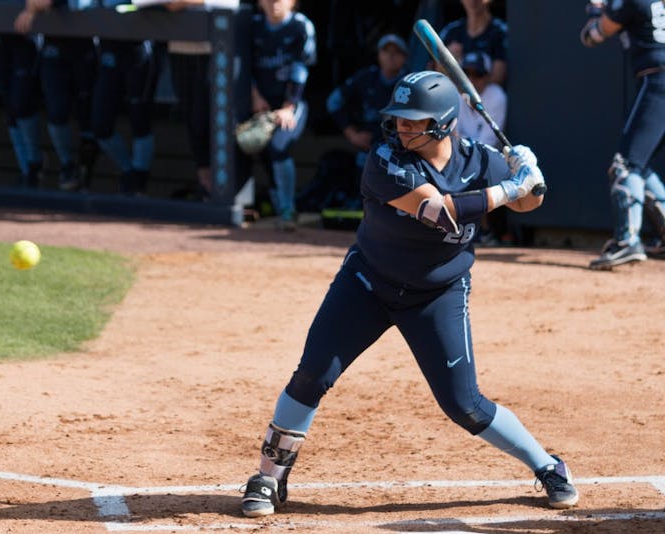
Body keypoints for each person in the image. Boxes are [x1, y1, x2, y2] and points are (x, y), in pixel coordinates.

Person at [239, 71, 579, 518]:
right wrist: (507, 188)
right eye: (398, 118)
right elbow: (439, 212)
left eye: (413, 120)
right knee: (313, 372)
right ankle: (267, 477)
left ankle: (548, 466)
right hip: (368, 282)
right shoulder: (385, 159)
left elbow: (528, 202)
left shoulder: (481, 160)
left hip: (437, 292)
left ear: (442, 123)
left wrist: (528, 174)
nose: (401, 127)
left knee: (465, 405)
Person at [580, 0, 665, 269]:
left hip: (657, 80)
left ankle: (627, 242)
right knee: (639, 166)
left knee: (625, 165)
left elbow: (592, 36)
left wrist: (598, 10)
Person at [14, 0, 99, 192]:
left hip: (88, 47)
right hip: (54, 46)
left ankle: (85, 174)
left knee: (90, 118)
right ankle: (67, 164)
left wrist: (33, 7)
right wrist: (32, 7)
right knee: (57, 111)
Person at [249, 0, 316, 230]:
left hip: (290, 101)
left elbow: (301, 69)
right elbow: (241, 65)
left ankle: (287, 210)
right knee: (256, 149)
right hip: (257, 102)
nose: (274, 3)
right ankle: (278, 207)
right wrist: (254, 96)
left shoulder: (300, 26)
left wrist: (288, 106)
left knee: (278, 146)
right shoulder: (251, 24)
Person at [165, 0, 241, 200]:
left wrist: (185, 2)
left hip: (214, 49)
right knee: (190, 115)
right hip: (178, 45)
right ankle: (205, 181)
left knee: (208, 116)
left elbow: (231, 3)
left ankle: (220, 184)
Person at [326, 33, 409, 172]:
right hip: (368, 148)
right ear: (378, 54)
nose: (390, 56)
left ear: (405, 57)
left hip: (401, 152)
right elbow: (333, 102)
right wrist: (351, 134)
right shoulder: (366, 77)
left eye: (396, 52)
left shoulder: (412, 82)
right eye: (386, 51)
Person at [91, 37, 157, 195]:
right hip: (110, 50)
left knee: (140, 120)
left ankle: (139, 183)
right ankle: (129, 172)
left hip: (139, 49)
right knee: (100, 126)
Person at [456, 50, 509, 245]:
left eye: (477, 74)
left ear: (487, 77)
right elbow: (449, 135)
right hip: (459, 154)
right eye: (466, 74)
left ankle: (484, 230)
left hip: (488, 157)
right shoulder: (455, 95)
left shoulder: (496, 96)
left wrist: (460, 145)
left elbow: (488, 142)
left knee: (477, 167)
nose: (470, 79)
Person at [0, 30, 44, 188]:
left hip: (27, 41)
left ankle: (35, 161)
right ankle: (26, 170)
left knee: (21, 104)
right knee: (10, 107)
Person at [438, 0, 508, 87]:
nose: (473, 1)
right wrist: (447, 62)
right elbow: (434, 72)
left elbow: (498, 77)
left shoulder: (501, 32)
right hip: (455, 93)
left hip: (486, 96)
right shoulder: (450, 31)